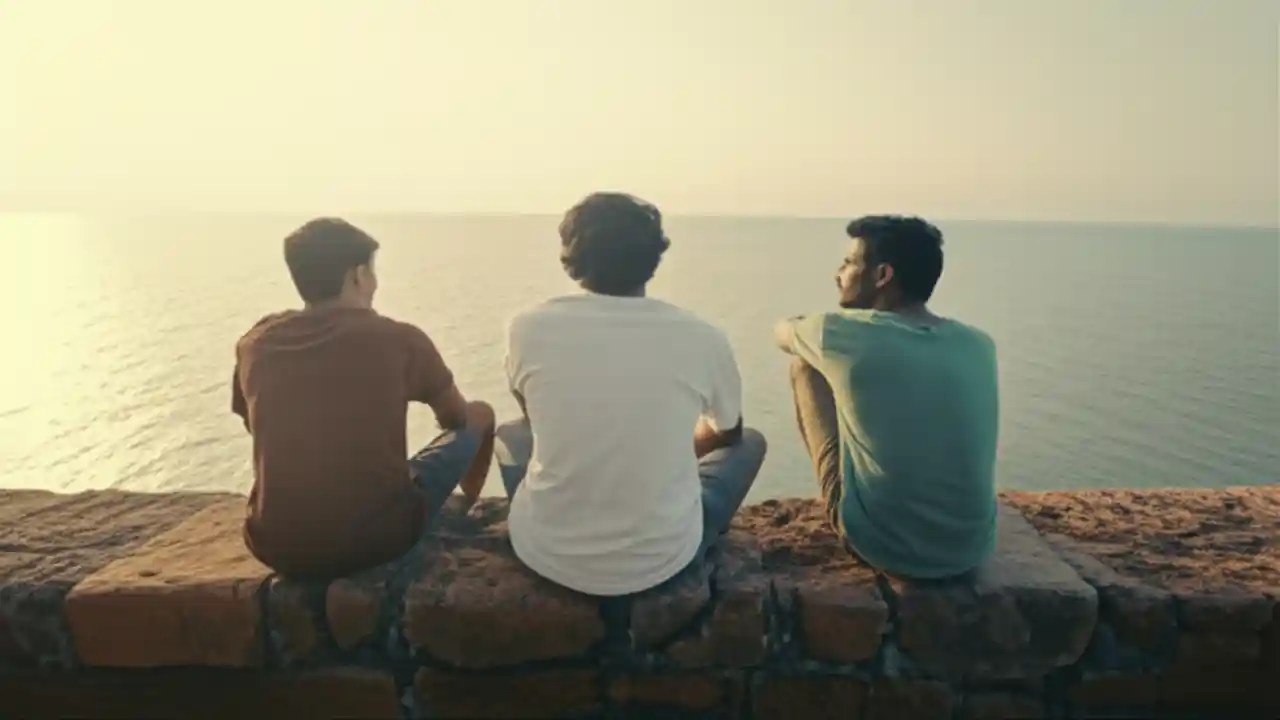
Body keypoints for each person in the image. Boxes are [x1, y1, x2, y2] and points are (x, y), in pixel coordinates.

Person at [495, 192, 767, 596]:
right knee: (751, 442)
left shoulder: (527, 328)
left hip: (546, 552)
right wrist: (659, 448)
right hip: (663, 559)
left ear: (571, 257)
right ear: (653, 258)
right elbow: (727, 433)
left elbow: (535, 419)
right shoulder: (702, 337)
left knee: (511, 434)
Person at [232, 218, 495, 579]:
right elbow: (455, 418)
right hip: (380, 541)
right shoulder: (399, 339)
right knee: (480, 416)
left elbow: (257, 423)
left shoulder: (255, 342)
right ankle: (464, 512)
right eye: (372, 271)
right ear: (357, 276)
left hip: (273, 544)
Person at [774, 215, 999, 579]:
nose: (838, 274)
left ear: (882, 276)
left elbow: (781, 332)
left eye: (848, 263)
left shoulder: (837, 333)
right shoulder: (978, 344)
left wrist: (810, 328)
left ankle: (856, 499)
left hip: (884, 545)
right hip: (970, 547)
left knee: (806, 365)